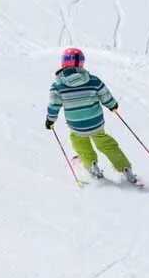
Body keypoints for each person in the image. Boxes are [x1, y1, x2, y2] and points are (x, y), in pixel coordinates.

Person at [45, 47, 139, 184]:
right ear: (81, 63)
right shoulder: (93, 80)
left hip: (76, 125)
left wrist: (50, 120)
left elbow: (54, 105)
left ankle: (91, 165)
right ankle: (124, 167)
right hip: (96, 122)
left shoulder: (58, 85)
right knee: (105, 143)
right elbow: (105, 95)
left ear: (63, 63)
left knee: (80, 143)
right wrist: (112, 105)